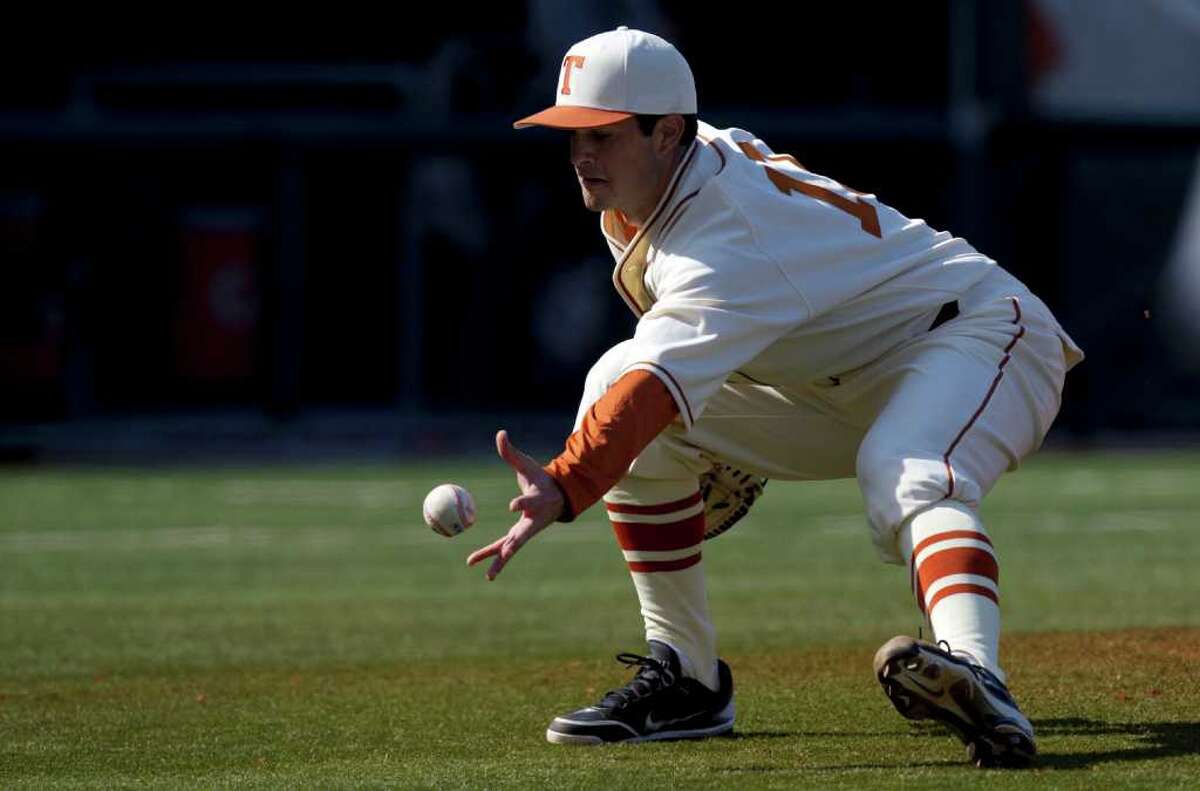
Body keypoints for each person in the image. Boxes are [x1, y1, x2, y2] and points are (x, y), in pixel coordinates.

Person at [467, 26, 1083, 768]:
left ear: (668, 132)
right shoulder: (659, 182)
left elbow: (655, 386)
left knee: (908, 466)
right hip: (831, 379)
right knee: (612, 382)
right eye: (572, 135)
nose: (581, 154)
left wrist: (566, 482)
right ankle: (688, 678)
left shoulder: (723, 231)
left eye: (601, 134)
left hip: (975, 334)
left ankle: (978, 673)